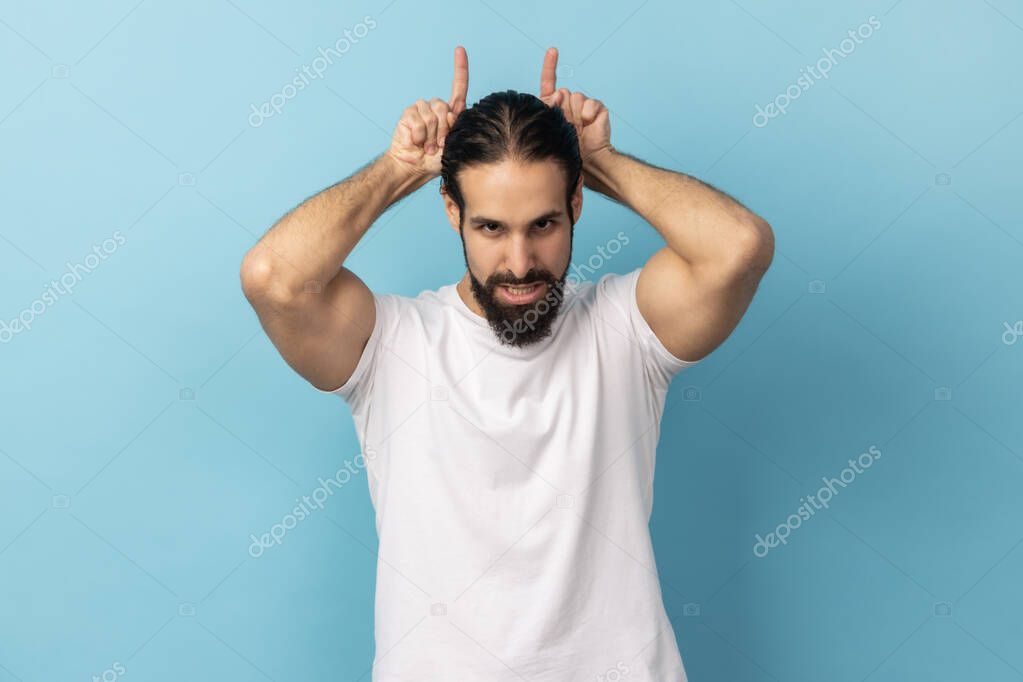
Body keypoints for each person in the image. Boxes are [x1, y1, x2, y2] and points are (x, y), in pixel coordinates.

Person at [241, 45, 773, 681]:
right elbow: (274, 279)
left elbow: (738, 248)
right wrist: (396, 169)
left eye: (543, 224)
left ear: (577, 205)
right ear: (452, 213)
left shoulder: (623, 331)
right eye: (491, 228)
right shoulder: (391, 345)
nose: (520, 263)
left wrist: (601, 162)